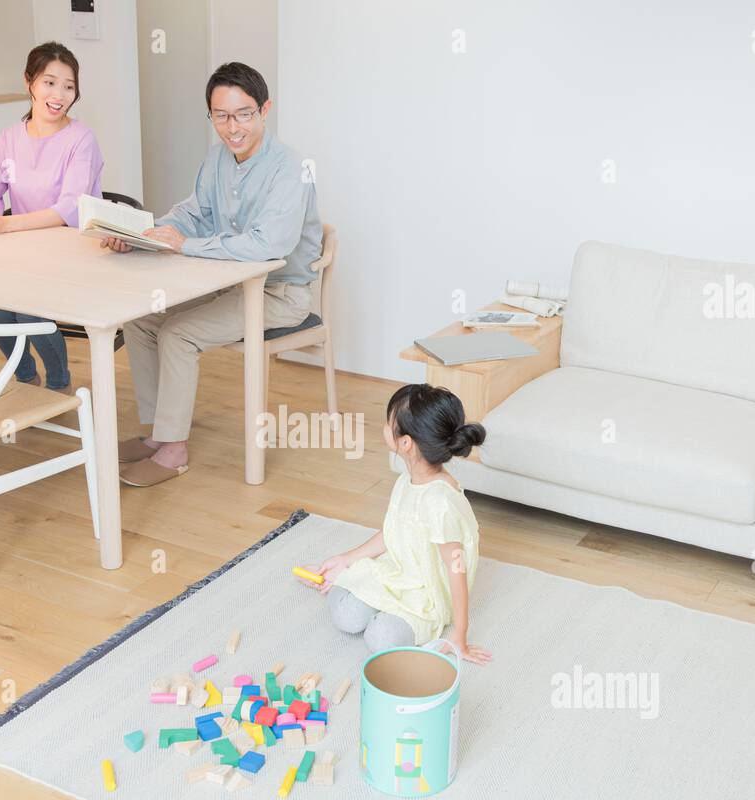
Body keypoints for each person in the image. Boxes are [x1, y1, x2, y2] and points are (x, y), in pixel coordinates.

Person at [104, 61, 323, 486]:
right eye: (220, 116)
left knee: (178, 333)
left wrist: (184, 245)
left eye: (243, 114)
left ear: (264, 110)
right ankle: (156, 432)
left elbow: (267, 246)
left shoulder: (292, 168)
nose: (232, 127)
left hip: (279, 293)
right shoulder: (219, 158)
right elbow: (195, 212)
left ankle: (173, 450)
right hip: (230, 284)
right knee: (142, 320)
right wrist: (148, 234)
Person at [302, 384, 493, 664]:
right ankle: (343, 583)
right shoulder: (407, 480)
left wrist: (459, 634)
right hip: (399, 572)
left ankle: (376, 608)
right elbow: (395, 531)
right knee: (346, 615)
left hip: (425, 597)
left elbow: (456, 570)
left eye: (388, 423)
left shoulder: (439, 503)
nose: (384, 427)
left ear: (405, 443)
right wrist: (348, 559)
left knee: (381, 638)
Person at [0, 41, 103, 394]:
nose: (60, 94)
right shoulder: (9, 138)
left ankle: (58, 383)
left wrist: (2, 224)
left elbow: (69, 208)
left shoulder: (81, 139)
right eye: (50, 82)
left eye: (69, 86)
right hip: (25, 252)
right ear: (30, 83)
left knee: (27, 312)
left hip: (73, 251)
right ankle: (26, 380)